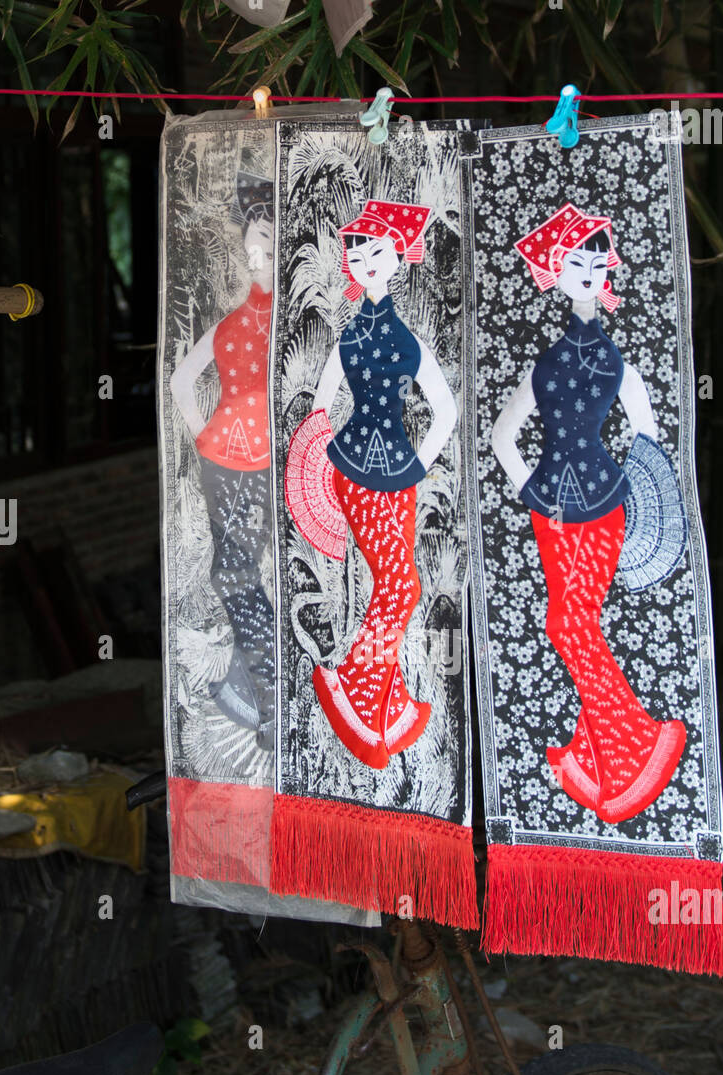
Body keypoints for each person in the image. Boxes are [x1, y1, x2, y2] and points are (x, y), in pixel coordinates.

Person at [492, 202, 686, 823]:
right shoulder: (545, 364)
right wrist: (531, 488)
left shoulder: (619, 362)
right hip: (547, 508)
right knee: (575, 624)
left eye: (597, 260)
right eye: (575, 258)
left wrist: (643, 502)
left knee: (568, 625)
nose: (587, 268)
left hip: (604, 505)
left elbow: (647, 440)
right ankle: (606, 758)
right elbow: (503, 434)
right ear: (555, 268)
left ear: (608, 272)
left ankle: (637, 742)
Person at [286, 200, 457, 769]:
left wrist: (417, 462)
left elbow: (445, 410)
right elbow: (319, 406)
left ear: (399, 258)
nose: (366, 263)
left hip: (387, 469)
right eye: (357, 255)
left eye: (376, 252)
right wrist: (317, 461)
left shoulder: (400, 339)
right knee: (401, 586)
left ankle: (381, 708)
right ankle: (353, 682)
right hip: (362, 470)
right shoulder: (355, 338)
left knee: (395, 583)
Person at [170, 171, 275, 744]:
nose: (258, 255)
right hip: (231, 458)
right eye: (252, 245)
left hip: (252, 459)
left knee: (237, 572)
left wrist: (204, 431)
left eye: (268, 244)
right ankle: (260, 688)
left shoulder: (278, 323)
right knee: (237, 570)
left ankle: (263, 688)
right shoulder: (239, 321)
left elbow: (183, 384)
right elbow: (182, 381)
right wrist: (201, 432)